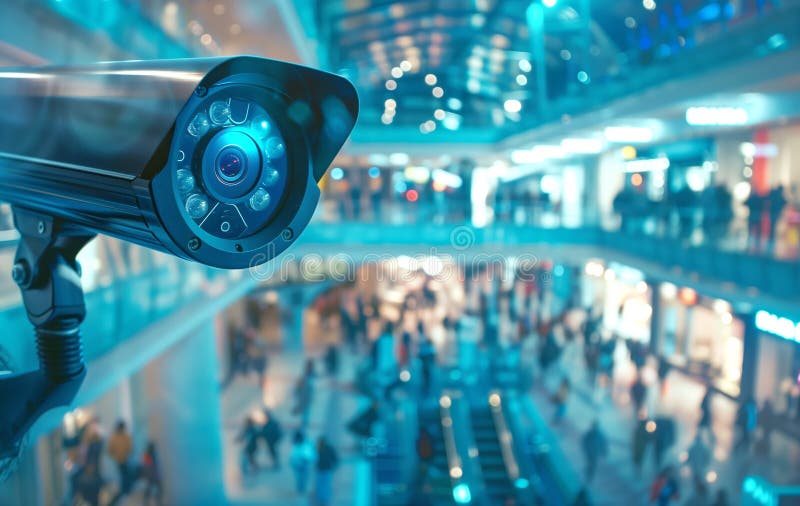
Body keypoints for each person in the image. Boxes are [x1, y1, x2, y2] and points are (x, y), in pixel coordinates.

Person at [107, 420, 134, 506]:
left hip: (125, 460)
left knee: (126, 476)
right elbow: (110, 450)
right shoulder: (114, 437)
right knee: (122, 477)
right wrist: (116, 455)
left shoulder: (126, 436)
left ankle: (125, 492)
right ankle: (123, 493)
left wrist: (125, 454)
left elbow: (130, 447)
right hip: (118, 461)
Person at [314, 436, 339, 506]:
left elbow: (335, 458)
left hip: (325, 469)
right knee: (322, 485)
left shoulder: (328, 448)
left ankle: (324, 499)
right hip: (321, 469)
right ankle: (322, 499)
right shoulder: (317, 448)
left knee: (324, 485)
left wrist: (334, 465)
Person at [141, 441, 163, 506]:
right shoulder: (149, 455)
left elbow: (147, 466)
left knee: (151, 489)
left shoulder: (149, 454)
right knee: (157, 489)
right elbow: (148, 467)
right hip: (153, 476)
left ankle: (149, 502)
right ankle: (153, 502)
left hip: (152, 475)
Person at [768, 185, 787, 251]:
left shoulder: (774, 194)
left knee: (772, 225)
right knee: (773, 225)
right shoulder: (778, 195)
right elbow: (784, 202)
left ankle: (771, 237)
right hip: (775, 212)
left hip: (773, 212)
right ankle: (771, 238)